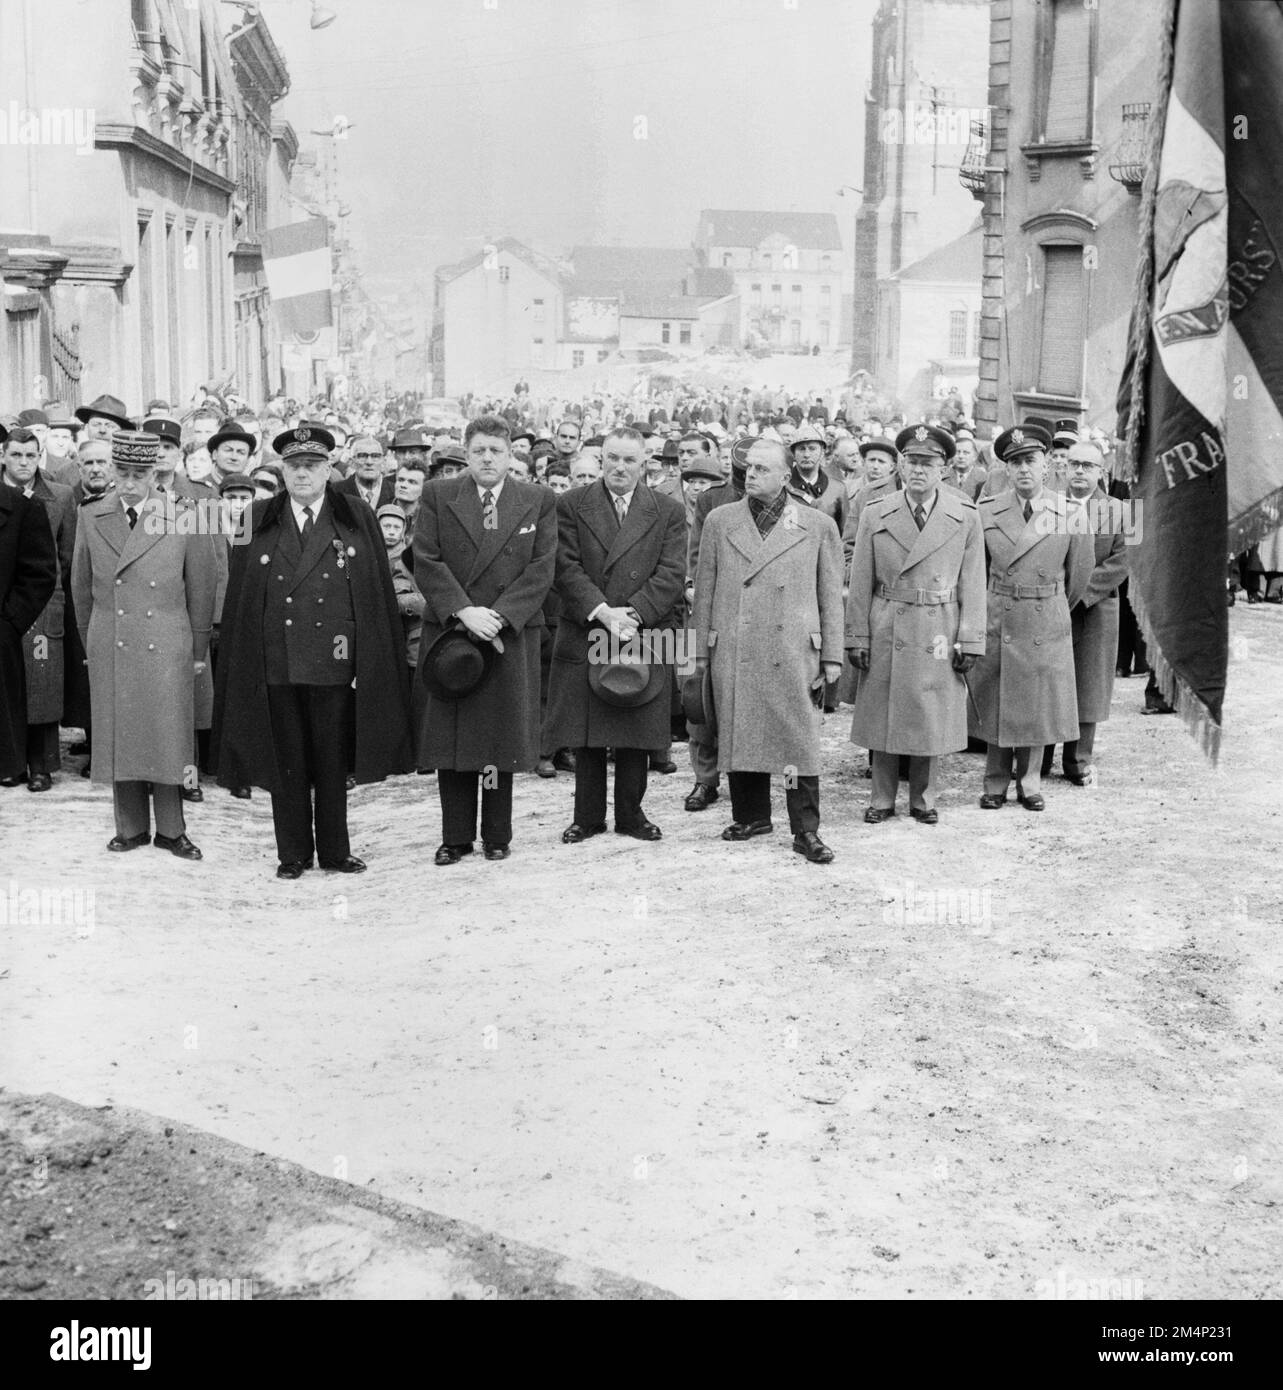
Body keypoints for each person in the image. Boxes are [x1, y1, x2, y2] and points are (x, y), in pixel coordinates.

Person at [213, 425, 412, 878]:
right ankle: (293, 854)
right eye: (294, 467)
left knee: (330, 760)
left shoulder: (354, 514)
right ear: (282, 470)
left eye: (312, 466)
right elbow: (242, 599)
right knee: (288, 762)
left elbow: (374, 593)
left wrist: (367, 658)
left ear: (328, 470)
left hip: (335, 662)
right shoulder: (257, 517)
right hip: (278, 661)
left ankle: (336, 851)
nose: (302, 475)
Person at [412, 415, 557, 864]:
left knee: (499, 738)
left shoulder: (537, 498)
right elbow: (425, 557)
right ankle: (455, 837)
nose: (488, 458)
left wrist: (501, 615)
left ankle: (497, 834)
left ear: (511, 454)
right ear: (466, 453)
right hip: (454, 633)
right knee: (453, 740)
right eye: (479, 451)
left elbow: (542, 567)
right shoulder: (439, 494)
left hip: (507, 635)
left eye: (496, 450)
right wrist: (464, 610)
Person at [692, 437, 844, 863]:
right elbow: (704, 591)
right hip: (735, 645)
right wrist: (695, 654)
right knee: (741, 730)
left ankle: (805, 829)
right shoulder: (720, 521)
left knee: (796, 743)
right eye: (747, 468)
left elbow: (831, 596)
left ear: (785, 475)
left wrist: (832, 656)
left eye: (761, 469)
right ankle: (751, 815)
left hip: (793, 649)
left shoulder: (816, 525)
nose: (750, 475)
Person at [71, 431, 218, 857]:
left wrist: (196, 651)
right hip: (112, 638)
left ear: (155, 472)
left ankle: (172, 830)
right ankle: (130, 827)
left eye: (140, 474)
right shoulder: (92, 515)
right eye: (124, 472)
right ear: (113, 470)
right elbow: (82, 588)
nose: (131, 482)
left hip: (167, 640)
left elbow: (202, 589)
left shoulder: (184, 513)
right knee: (121, 731)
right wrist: (91, 644)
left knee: (169, 736)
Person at [544, 426, 687, 844]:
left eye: (629, 460)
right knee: (587, 730)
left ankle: (631, 814)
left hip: (643, 628)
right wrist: (602, 611)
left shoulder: (667, 511)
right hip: (589, 623)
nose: (619, 467)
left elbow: (672, 573)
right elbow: (563, 566)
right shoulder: (571, 504)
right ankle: (587, 817)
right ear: (600, 460)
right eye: (612, 458)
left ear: (645, 465)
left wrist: (636, 613)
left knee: (636, 723)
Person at [845, 425, 986, 824]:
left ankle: (924, 798)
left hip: (939, 625)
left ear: (943, 468)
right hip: (890, 621)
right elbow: (860, 582)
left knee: (931, 713)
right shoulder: (877, 513)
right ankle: (882, 798)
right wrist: (857, 634)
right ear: (901, 467)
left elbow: (974, 583)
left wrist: (971, 640)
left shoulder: (965, 516)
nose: (919, 470)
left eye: (928, 463)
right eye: (912, 462)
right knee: (884, 711)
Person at [970, 424, 1094, 810]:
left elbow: (1079, 577)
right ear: (1006, 469)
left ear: (1047, 467)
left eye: (1031, 460)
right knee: (996, 696)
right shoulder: (986, 510)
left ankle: (1030, 780)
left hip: (1045, 618)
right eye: (1015, 462)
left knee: (1038, 702)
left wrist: (1051, 606)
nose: (1024, 469)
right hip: (1000, 615)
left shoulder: (1070, 512)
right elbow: (976, 570)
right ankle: (994, 781)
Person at [1040, 442, 1129, 784]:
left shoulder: (1124, 510)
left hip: (1096, 609)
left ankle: (1078, 762)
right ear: (1063, 468)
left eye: (1087, 466)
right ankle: (1040, 759)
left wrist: (1080, 593)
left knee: (1088, 686)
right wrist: (1056, 594)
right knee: (1048, 682)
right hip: (1051, 606)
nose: (1079, 471)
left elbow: (1124, 560)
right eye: (1074, 464)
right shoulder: (1047, 506)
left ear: (1101, 473)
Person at [1, 427, 76, 791]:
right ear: (4, 455)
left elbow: (65, 555)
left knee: (41, 681)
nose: (24, 463)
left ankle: (41, 764)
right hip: (8, 600)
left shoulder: (59, 496)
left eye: (31, 456)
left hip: (43, 601)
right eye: (16, 455)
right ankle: (10, 760)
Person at [337, 436, 395, 510]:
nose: (369, 462)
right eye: (362, 456)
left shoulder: (396, 492)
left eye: (375, 456)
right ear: (352, 462)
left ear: (383, 461)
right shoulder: (336, 492)